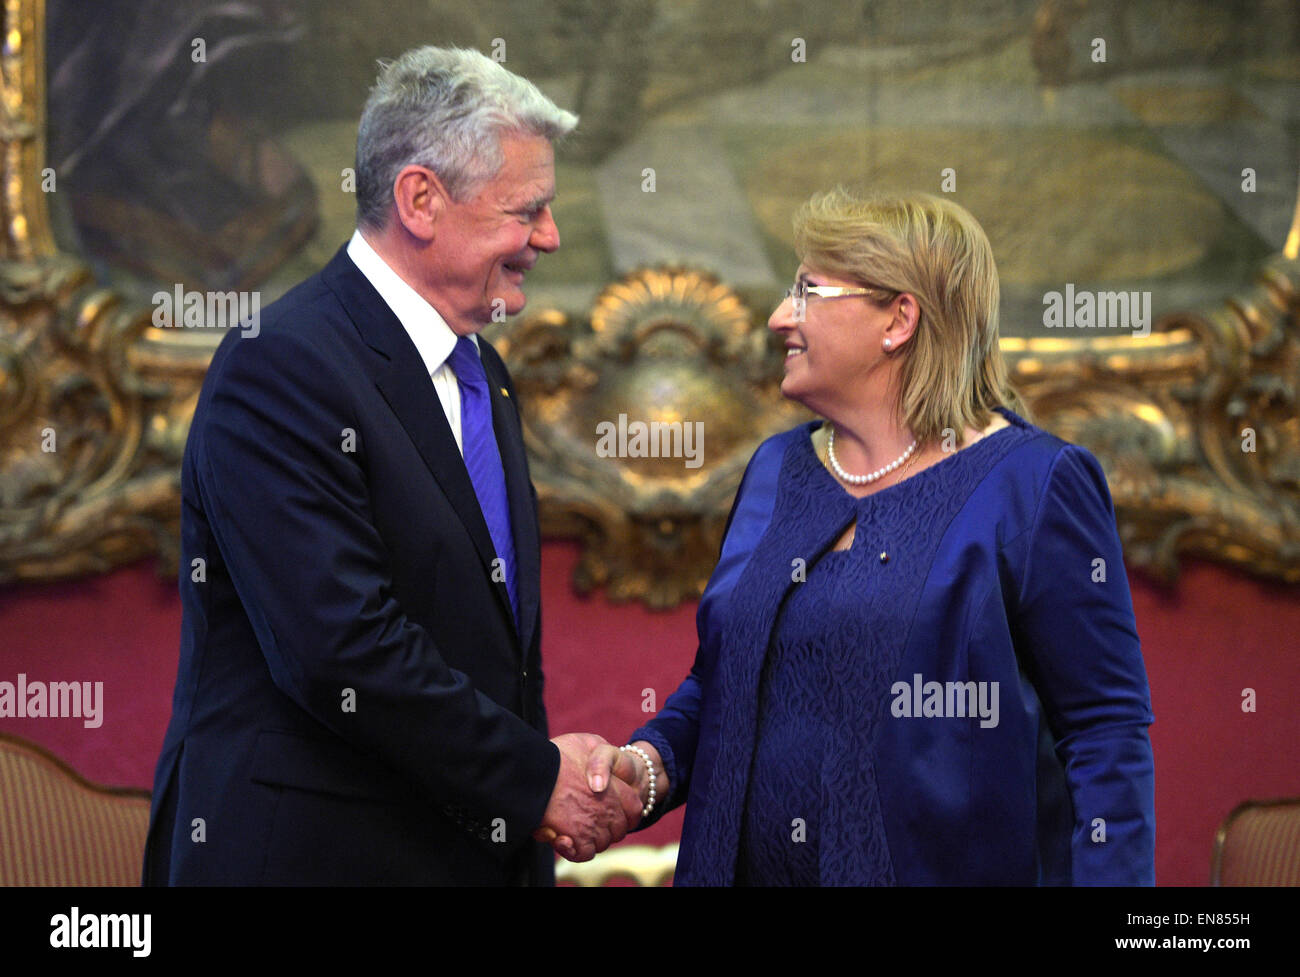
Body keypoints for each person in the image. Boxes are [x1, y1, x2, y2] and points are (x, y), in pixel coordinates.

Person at [143, 46, 641, 886]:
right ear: (421, 199)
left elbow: (493, 646)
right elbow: (341, 650)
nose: (550, 237)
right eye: (529, 210)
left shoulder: (484, 374)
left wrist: (528, 800)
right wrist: (533, 778)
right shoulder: (284, 365)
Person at [579, 189, 1156, 885]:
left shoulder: (1035, 484)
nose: (779, 317)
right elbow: (725, 685)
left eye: (808, 291)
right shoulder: (776, 469)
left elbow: (1104, 732)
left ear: (899, 318)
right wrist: (645, 768)